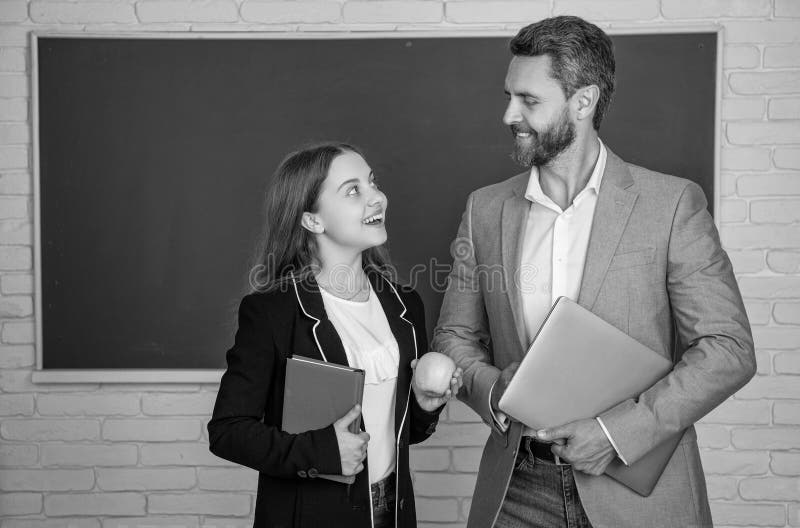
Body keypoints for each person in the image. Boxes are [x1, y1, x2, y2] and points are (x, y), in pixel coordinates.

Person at [432, 16, 755, 528]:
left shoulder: (671, 205)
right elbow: (454, 336)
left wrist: (613, 434)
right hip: (517, 489)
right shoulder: (485, 210)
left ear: (583, 102)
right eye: (509, 96)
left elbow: (727, 349)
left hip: (639, 493)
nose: (508, 113)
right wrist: (496, 390)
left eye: (529, 100)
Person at [208, 142, 462, 528]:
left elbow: (400, 433)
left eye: (372, 183)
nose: (377, 197)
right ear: (312, 220)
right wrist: (322, 452)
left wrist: (425, 406)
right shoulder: (274, 312)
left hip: (392, 513)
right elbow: (227, 432)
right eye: (353, 190)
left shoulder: (405, 305)